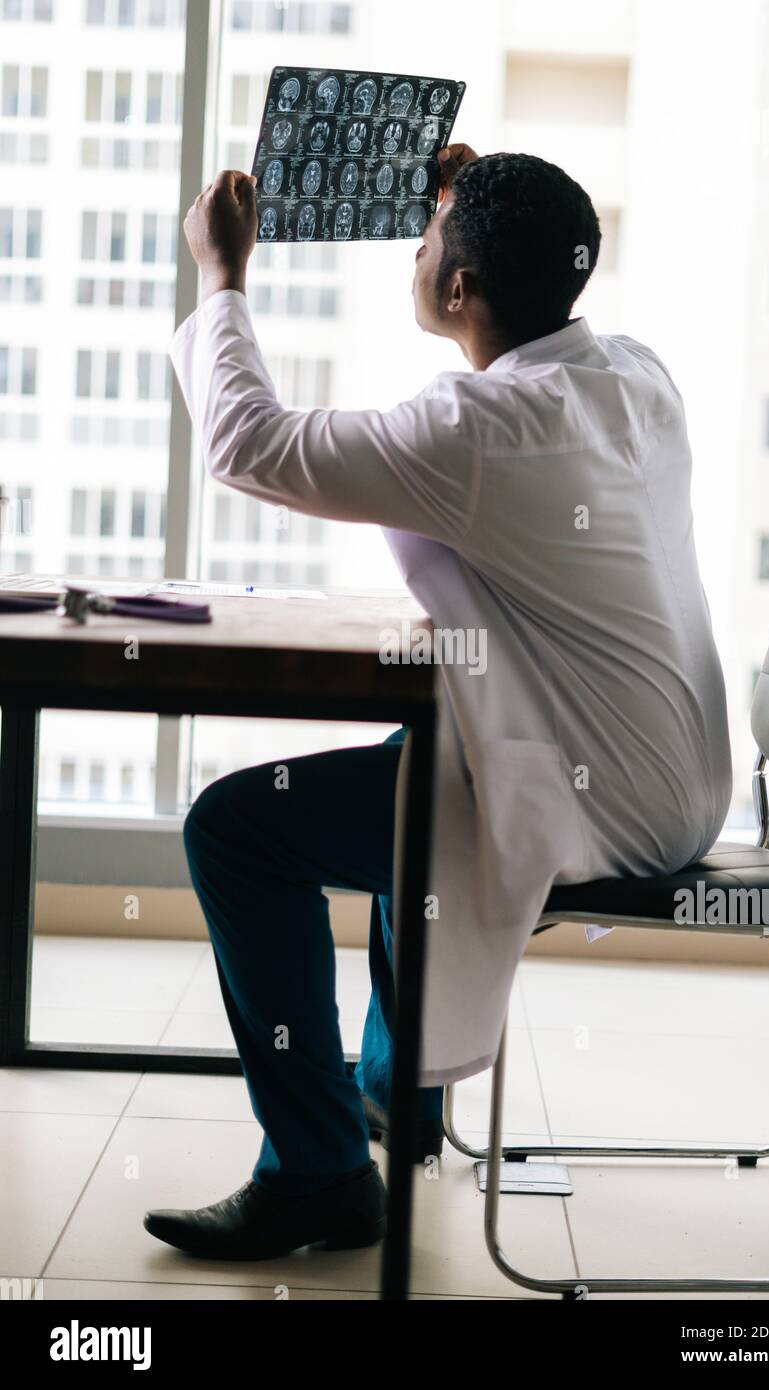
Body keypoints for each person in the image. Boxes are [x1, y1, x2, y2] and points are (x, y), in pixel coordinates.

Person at [144, 144, 732, 1260]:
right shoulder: (633, 375)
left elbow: (245, 440)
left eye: (428, 240)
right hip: (687, 774)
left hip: (602, 795)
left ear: (460, 289)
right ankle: (389, 1102)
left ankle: (316, 1172)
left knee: (234, 828)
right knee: (412, 766)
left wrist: (223, 278)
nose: (415, 247)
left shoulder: (477, 433)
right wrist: (481, 197)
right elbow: (516, 248)